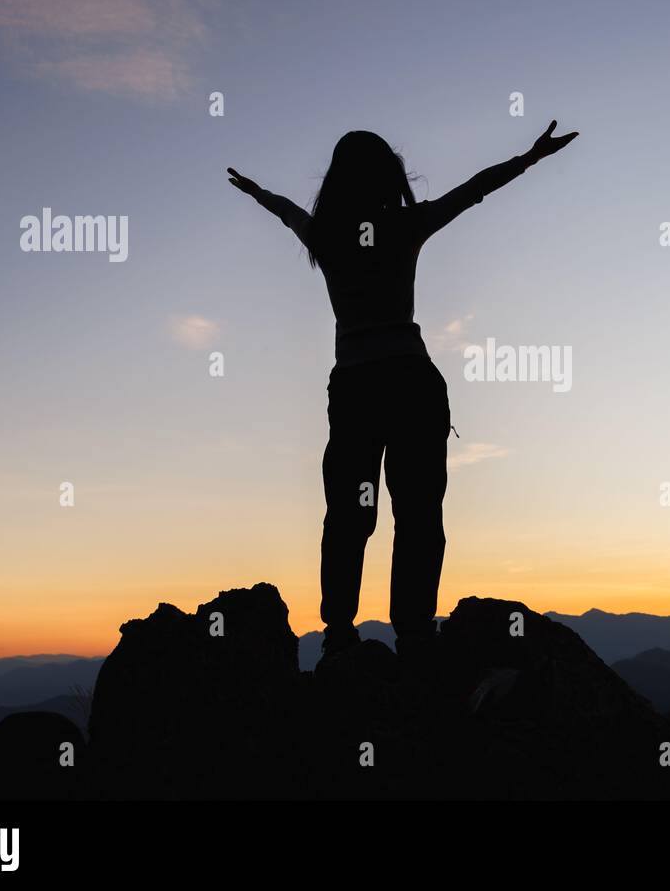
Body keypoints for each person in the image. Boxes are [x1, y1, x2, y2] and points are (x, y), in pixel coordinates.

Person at [227, 121, 578, 668]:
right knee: (417, 512)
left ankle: (341, 632)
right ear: (389, 174)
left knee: (349, 513)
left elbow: (285, 210)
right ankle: (413, 634)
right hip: (411, 384)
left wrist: (257, 192)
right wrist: (529, 158)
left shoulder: (326, 234)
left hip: (357, 389)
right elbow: (473, 190)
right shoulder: (405, 225)